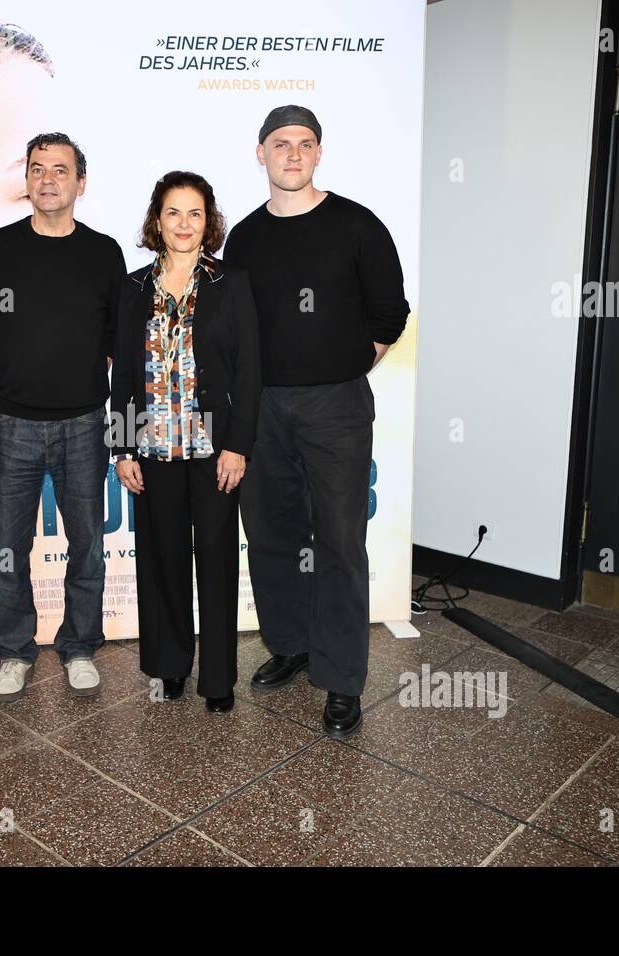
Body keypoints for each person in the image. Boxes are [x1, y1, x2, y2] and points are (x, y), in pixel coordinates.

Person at [224, 105, 409, 739]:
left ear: (319, 153)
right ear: (261, 154)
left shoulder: (357, 225)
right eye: (281, 144)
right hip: (264, 407)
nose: (293, 155)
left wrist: (344, 366)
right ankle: (293, 644)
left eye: (305, 144)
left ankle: (341, 678)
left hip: (336, 406)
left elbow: (390, 312)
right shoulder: (244, 239)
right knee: (272, 532)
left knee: (338, 540)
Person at [0, 132, 125, 702]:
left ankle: (80, 646)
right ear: (28, 180)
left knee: (86, 544)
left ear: (79, 183)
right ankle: (15, 651)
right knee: (6, 548)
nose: (48, 179)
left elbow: (114, 335)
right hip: (14, 421)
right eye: (37, 168)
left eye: (60, 170)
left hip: (86, 422)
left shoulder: (104, 253)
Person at [111, 171, 260, 712]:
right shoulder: (132, 288)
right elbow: (122, 375)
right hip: (152, 453)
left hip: (214, 452)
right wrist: (122, 448)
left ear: (208, 221)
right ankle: (170, 666)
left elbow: (249, 371)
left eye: (194, 213)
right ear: (157, 220)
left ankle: (218, 679)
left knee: (217, 561)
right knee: (162, 560)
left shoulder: (232, 283)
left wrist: (238, 445)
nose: (183, 223)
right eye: (173, 212)